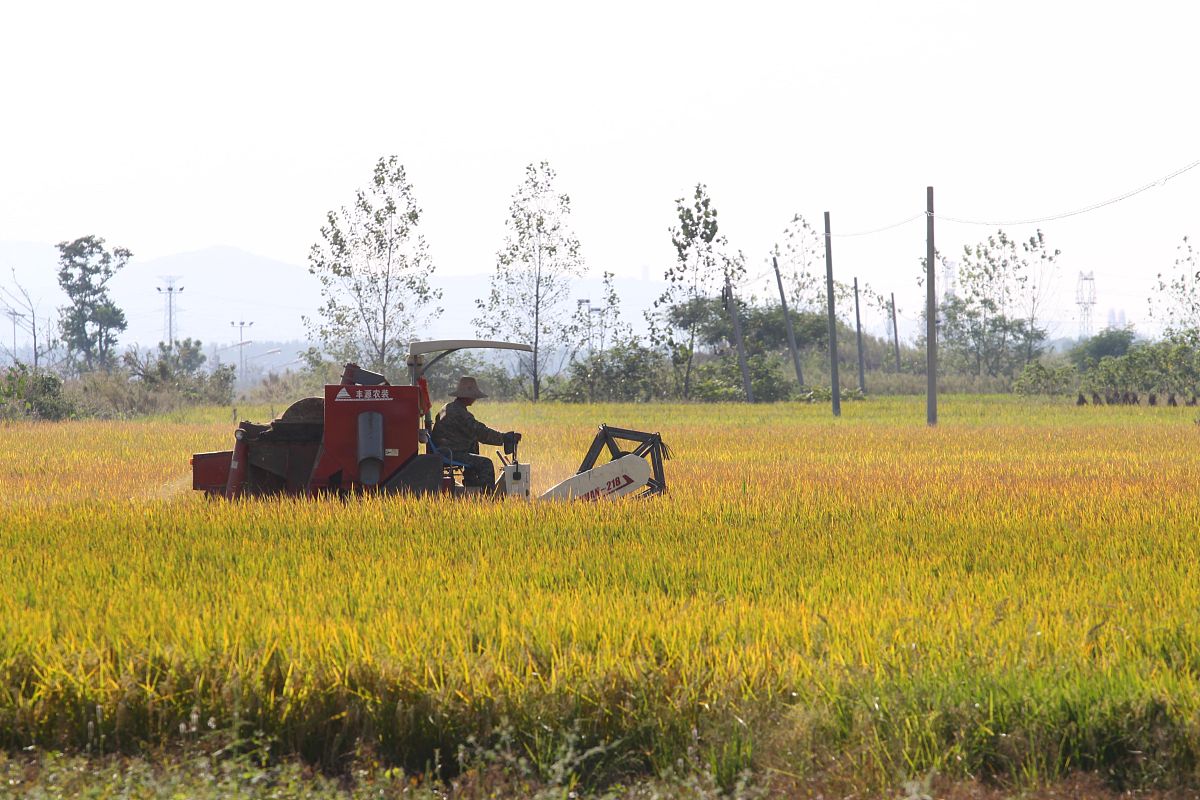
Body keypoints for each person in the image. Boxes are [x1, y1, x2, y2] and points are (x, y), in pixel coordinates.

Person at [430, 376, 521, 492]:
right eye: (474, 396)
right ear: (468, 397)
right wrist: (504, 438)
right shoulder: (460, 414)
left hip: (444, 449)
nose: (475, 399)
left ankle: (471, 485)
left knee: (473, 443)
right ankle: (488, 498)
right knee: (486, 464)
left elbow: (475, 433)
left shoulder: (448, 407)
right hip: (450, 453)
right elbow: (481, 432)